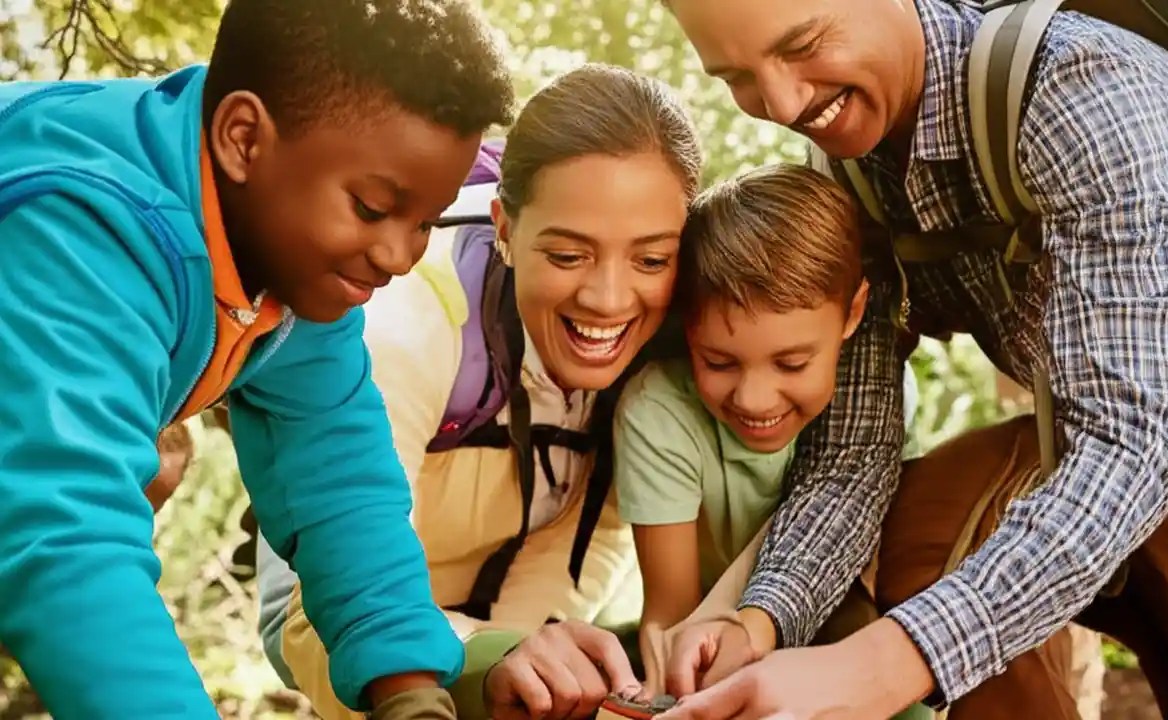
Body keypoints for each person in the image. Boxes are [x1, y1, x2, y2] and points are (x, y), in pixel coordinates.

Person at [652, 0, 1168, 719]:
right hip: (1112, 458)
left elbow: (1131, 446)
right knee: (930, 527)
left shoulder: (1081, 90)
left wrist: (886, 664)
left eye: (804, 46)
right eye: (738, 76)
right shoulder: (851, 174)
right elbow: (854, 450)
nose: (783, 103)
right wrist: (759, 619)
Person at [0, 0, 514, 717]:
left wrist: (411, 691)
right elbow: (68, 539)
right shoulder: (84, 230)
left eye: (424, 220)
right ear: (243, 138)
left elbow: (337, 477)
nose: (400, 255)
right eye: (371, 207)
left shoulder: (291, 258)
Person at [254, 63, 704, 720]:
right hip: (327, 606)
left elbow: (584, 549)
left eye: (651, 259)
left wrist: (526, 668)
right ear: (504, 228)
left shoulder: (671, 351)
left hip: (497, 598)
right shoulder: (402, 326)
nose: (609, 299)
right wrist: (485, 658)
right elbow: (318, 612)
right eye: (568, 255)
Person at [612, 164, 931, 720]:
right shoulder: (659, 416)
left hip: (853, 634)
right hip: (716, 642)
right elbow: (671, 614)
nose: (755, 400)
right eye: (719, 361)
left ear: (853, 313)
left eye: (791, 362)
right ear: (688, 326)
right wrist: (676, 689)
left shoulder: (877, 405)